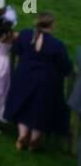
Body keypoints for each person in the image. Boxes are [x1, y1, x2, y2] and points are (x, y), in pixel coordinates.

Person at [5, 12, 74, 151]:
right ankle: (33, 141)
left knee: (23, 106)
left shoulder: (25, 34)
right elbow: (66, 66)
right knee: (40, 111)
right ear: (52, 25)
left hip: (24, 77)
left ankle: (21, 137)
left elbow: (16, 49)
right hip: (45, 83)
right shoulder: (57, 45)